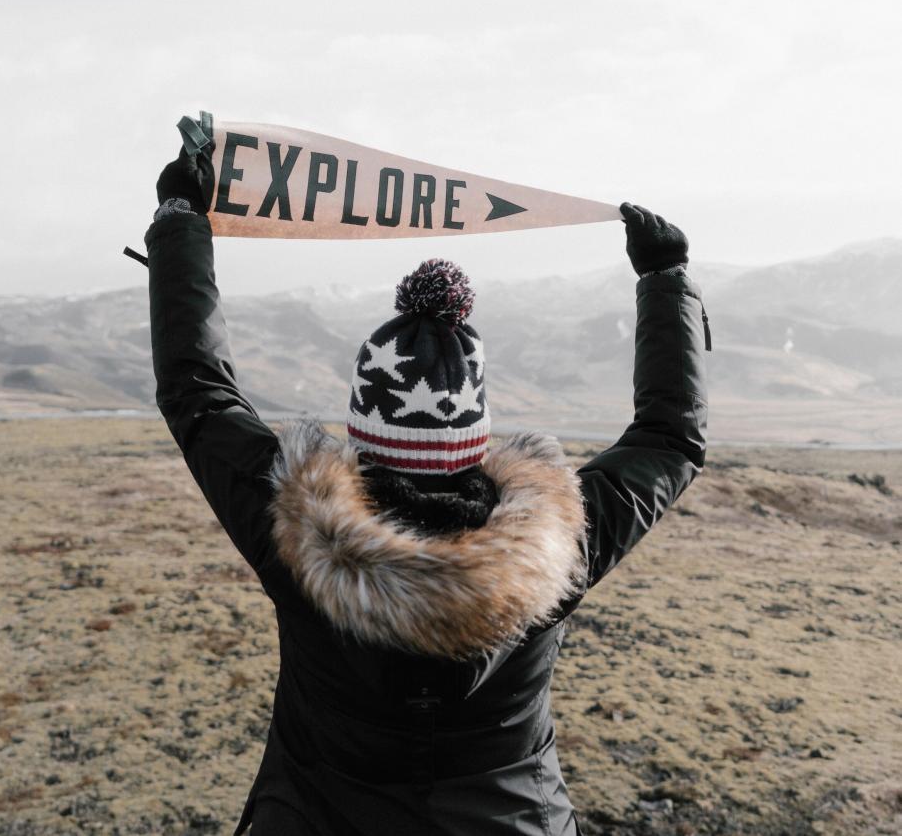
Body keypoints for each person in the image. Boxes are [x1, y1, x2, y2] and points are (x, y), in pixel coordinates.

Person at [147, 146, 711, 836]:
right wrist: (665, 277)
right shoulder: (559, 541)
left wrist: (182, 218)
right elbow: (670, 437)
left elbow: (196, 392)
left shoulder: (292, 529)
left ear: (363, 427)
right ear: (474, 429)